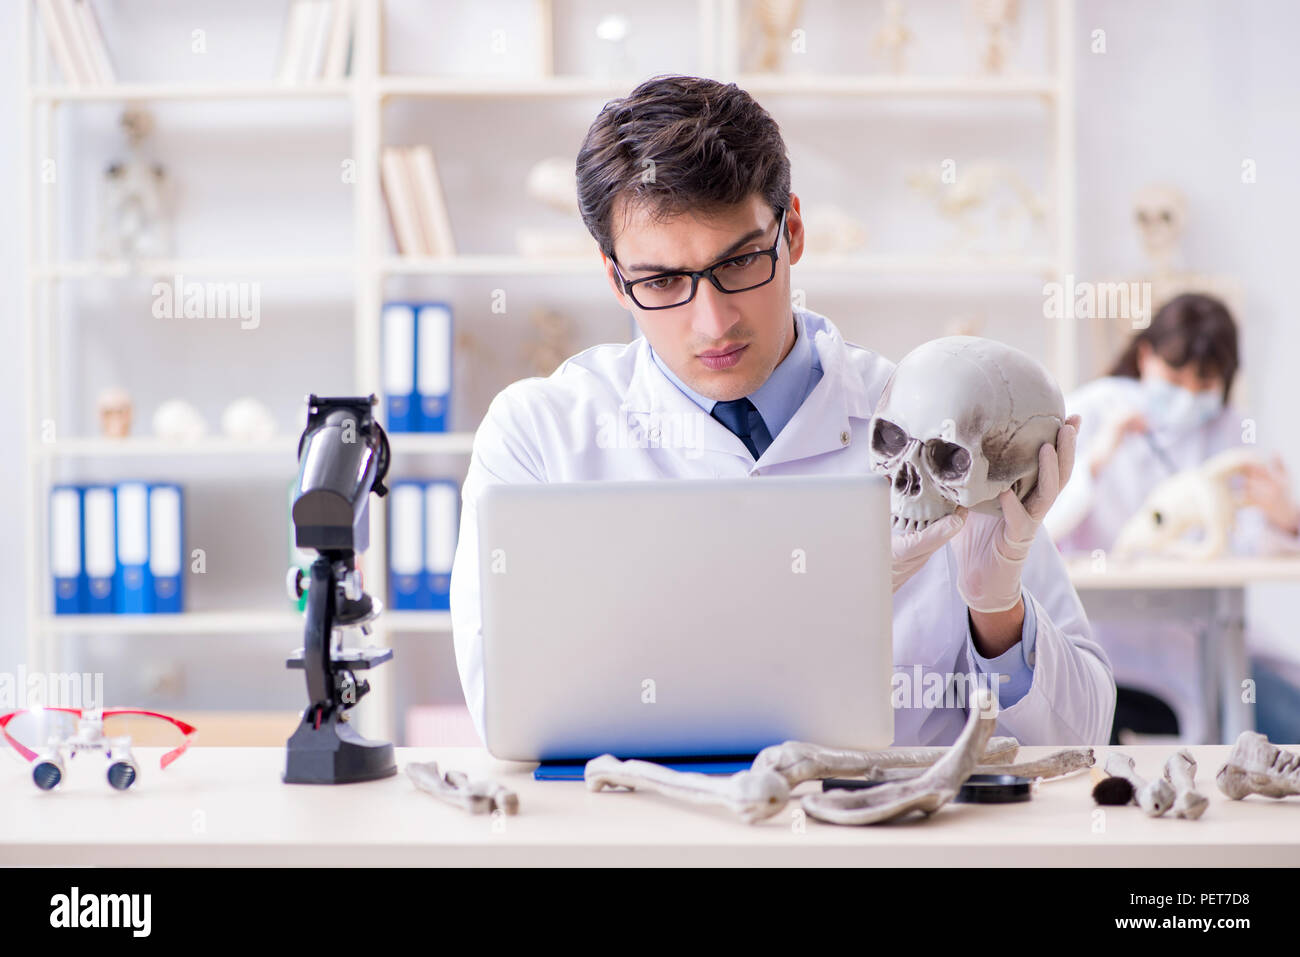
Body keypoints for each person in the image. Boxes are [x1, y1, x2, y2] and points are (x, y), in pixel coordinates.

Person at [449, 74, 1115, 748]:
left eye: (738, 263)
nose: (712, 321)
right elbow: (510, 720)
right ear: (616, 280)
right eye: (661, 281)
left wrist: (996, 609)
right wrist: (843, 586)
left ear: (792, 230)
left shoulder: (935, 424)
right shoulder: (540, 436)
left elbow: (1082, 734)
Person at [1044, 292, 1300, 743]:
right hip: (1099, 637)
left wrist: (1287, 518)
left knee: (1284, 719)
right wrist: (1097, 460)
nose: (1187, 394)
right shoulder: (1093, 409)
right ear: (1145, 356)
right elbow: (1041, 528)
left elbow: (1248, 544)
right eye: (1175, 374)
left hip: (1195, 643)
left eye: (1204, 383)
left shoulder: (1229, 429)